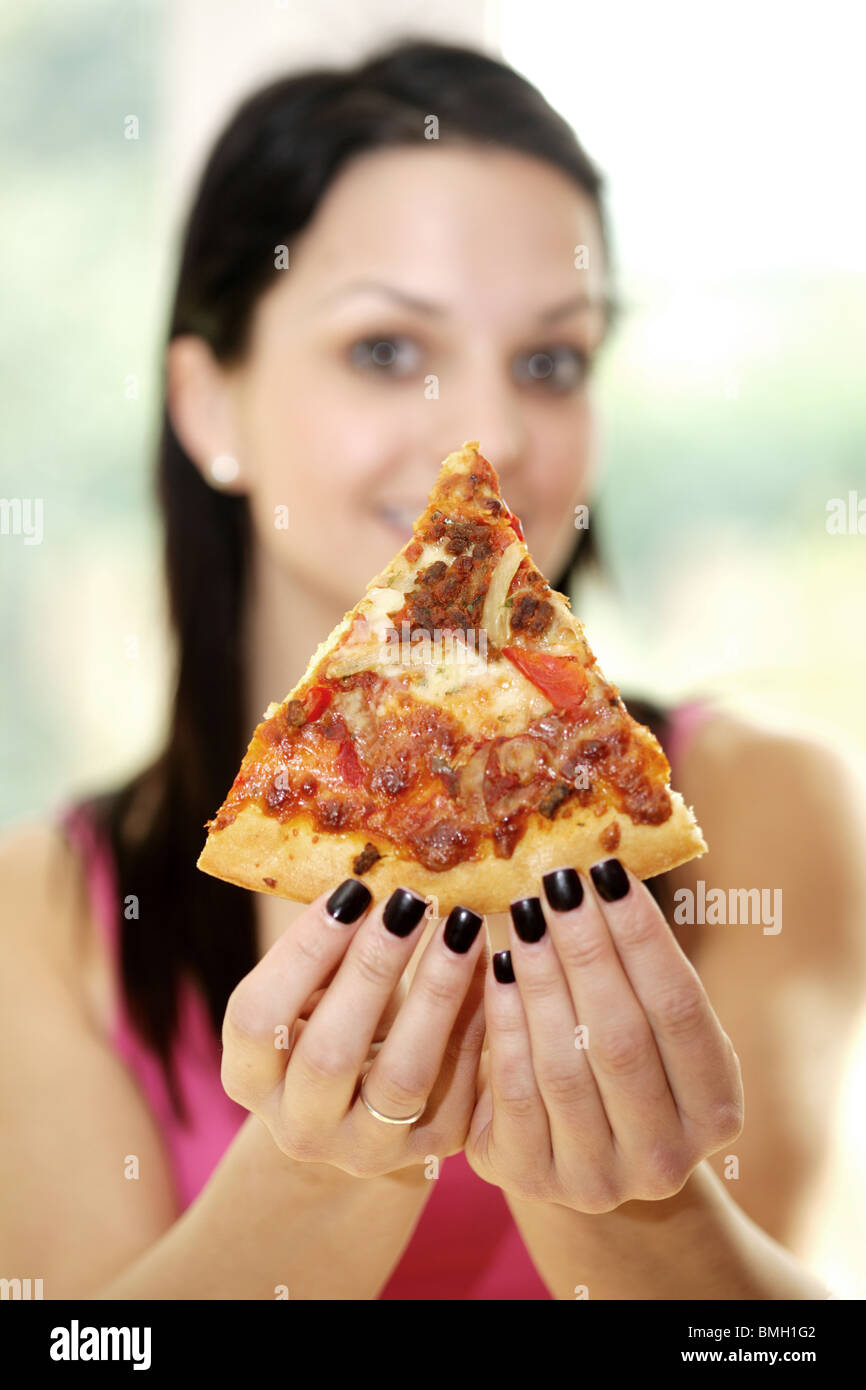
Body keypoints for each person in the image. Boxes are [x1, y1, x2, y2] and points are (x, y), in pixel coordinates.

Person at [2, 39, 863, 1301]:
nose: (493, 437)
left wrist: (642, 1219)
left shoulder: (764, 808)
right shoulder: (37, 911)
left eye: (550, 360)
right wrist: (314, 1176)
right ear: (207, 406)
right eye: (385, 350)